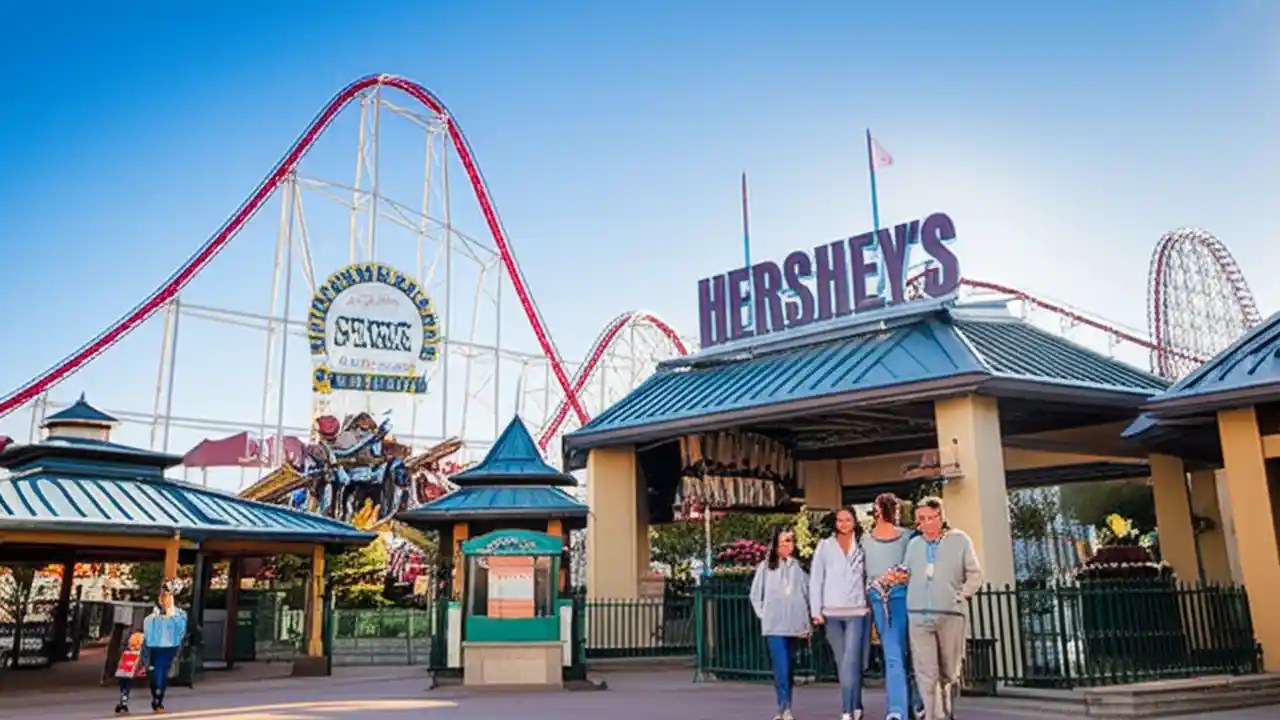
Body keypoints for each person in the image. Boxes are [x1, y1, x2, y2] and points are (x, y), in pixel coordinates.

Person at [904, 497, 983, 720]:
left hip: (951, 615)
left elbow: (975, 575)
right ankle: (933, 715)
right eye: (922, 519)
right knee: (926, 673)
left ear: (941, 517)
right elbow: (907, 572)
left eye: (931, 518)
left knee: (949, 672)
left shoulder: (960, 540)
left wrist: (961, 595)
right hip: (918, 616)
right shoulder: (914, 545)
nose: (927, 523)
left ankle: (946, 712)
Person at [862, 493, 925, 720]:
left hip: (904, 596)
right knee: (893, 653)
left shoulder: (909, 538)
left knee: (913, 651)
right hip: (880, 598)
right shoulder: (865, 540)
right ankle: (898, 709)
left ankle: (916, 702)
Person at [809, 507, 869, 720]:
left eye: (848, 519)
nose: (843, 523)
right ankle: (853, 704)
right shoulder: (825, 546)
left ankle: (847, 710)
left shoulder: (863, 545)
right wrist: (815, 611)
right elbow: (816, 579)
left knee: (851, 660)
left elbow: (869, 576)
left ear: (854, 521)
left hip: (857, 611)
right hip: (831, 612)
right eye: (840, 520)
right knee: (842, 660)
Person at [750, 527, 811, 720]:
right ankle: (783, 706)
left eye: (790, 541)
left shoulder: (798, 567)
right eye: (783, 541)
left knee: (790, 666)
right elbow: (755, 595)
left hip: (794, 625)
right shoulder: (765, 567)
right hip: (774, 626)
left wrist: (807, 620)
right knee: (781, 665)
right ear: (776, 545)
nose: (787, 545)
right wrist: (764, 614)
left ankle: (787, 705)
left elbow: (807, 592)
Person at [143, 581, 188, 713]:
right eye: (163, 597)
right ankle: (156, 697)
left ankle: (158, 699)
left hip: (168, 647)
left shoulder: (179, 615)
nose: (164, 600)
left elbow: (180, 631)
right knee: (152, 673)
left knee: (160, 672)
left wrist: (170, 613)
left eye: (167, 597)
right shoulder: (152, 616)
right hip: (152, 646)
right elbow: (147, 629)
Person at [113, 631, 146, 715]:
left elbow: (120, 663)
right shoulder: (137, 654)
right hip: (129, 674)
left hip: (121, 673)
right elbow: (136, 665)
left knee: (122, 689)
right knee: (126, 689)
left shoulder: (125, 653)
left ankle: (122, 703)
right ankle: (123, 704)